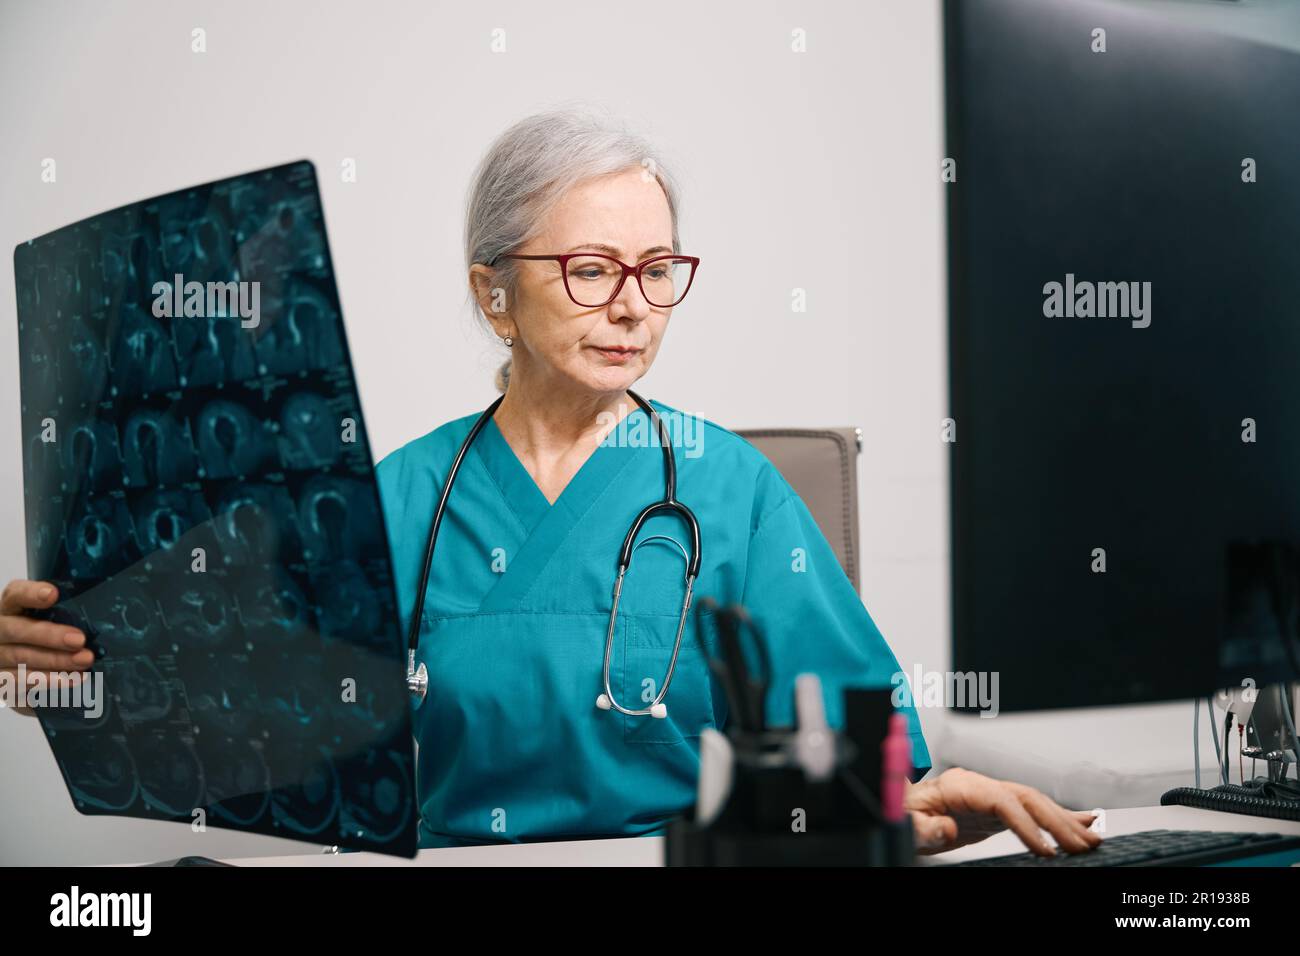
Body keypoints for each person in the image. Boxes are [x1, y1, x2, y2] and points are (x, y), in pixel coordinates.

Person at [2, 109, 1101, 858]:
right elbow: (226, 701)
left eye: (657, 271)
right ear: (494, 294)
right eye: (589, 269)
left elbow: (860, 756)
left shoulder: (733, 488)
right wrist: (55, 669)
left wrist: (897, 807)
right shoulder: (391, 495)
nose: (631, 304)